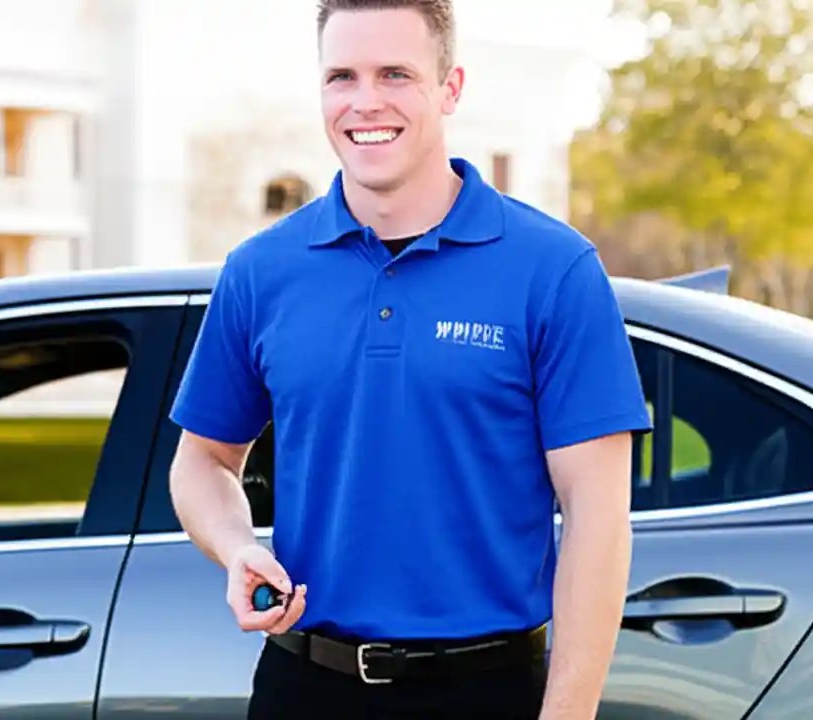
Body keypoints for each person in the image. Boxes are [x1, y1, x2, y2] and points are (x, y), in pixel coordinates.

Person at [167, 0, 652, 718]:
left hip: (487, 692)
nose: (365, 103)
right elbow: (201, 460)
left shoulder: (552, 270)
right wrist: (237, 546)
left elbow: (598, 517)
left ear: (450, 87)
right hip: (303, 687)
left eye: (395, 74)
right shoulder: (259, 272)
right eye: (342, 77)